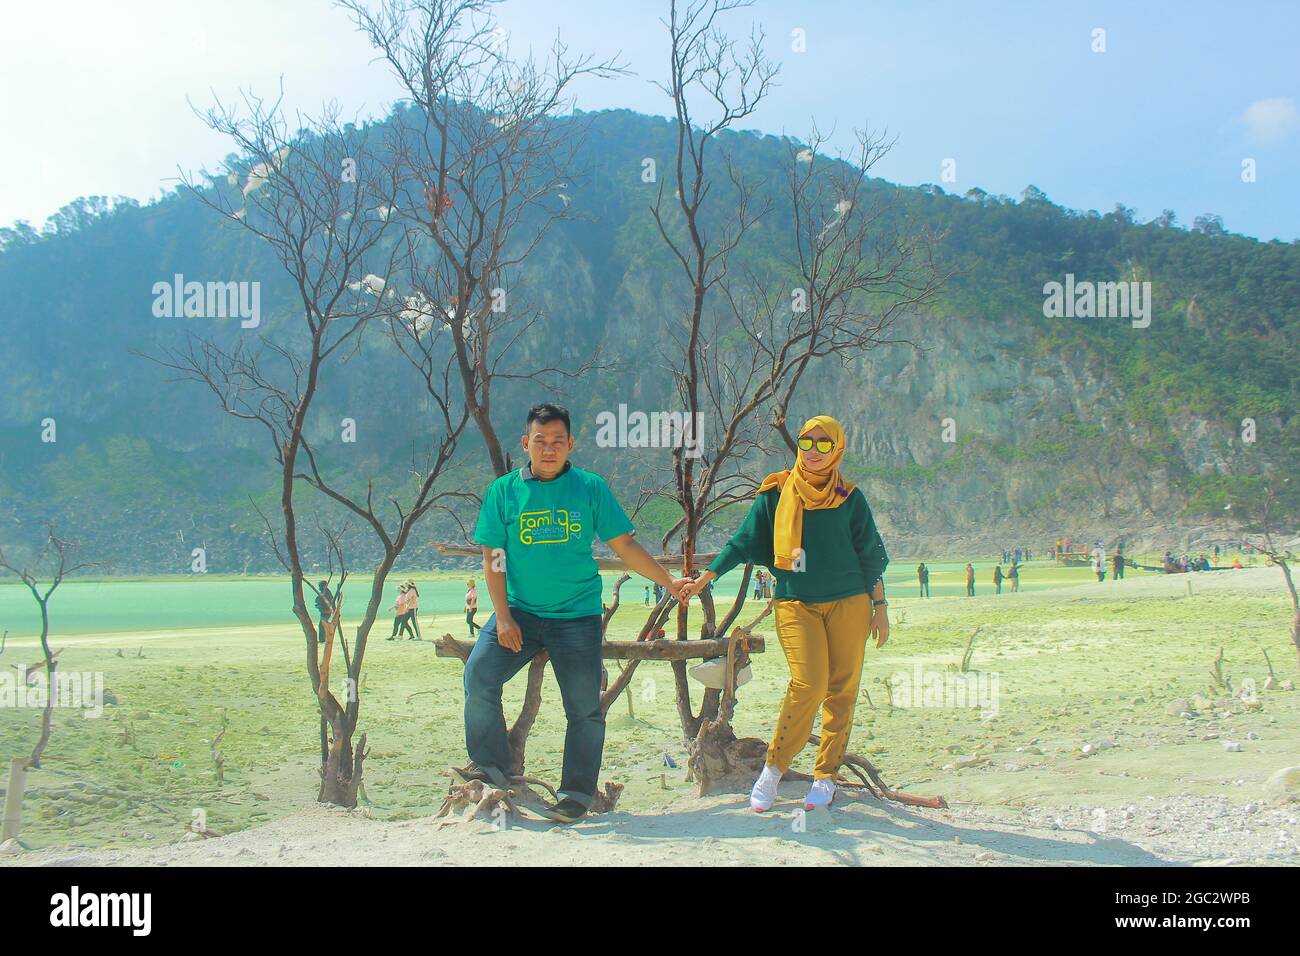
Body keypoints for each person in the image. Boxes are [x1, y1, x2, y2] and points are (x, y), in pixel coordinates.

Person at [463, 403, 689, 824]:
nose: (548, 449)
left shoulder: (590, 488)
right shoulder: (504, 492)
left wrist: (669, 581)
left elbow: (625, 546)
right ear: (525, 444)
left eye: (557, 442)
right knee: (479, 675)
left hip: (577, 615)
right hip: (519, 613)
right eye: (540, 441)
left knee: (584, 706)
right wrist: (504, 617)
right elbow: (493, 558)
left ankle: (575, 796)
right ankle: (492, 768)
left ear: (570, 444)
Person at [681, 415, 889, 814]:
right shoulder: (776, 492)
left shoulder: (850, 497)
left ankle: (825, 777)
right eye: (806, 442)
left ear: (838, 449)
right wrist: (706, 577)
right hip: (796, 601)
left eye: (823, 444)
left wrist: (879, 606)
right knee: (808, 684)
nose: (812, 451)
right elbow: (744, 541)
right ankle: (773, 770)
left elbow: (869, 557)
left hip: (851, 602)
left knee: (841, 691)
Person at [314, 580, 335, 645]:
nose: (319, 587)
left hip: (326, 611)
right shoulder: (324, 592)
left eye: (320, 586)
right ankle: (323, 639)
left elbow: (328, 601)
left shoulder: (326, 592)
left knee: (323, 625)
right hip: (324, 611)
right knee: (323, 625)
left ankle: (323, 639)